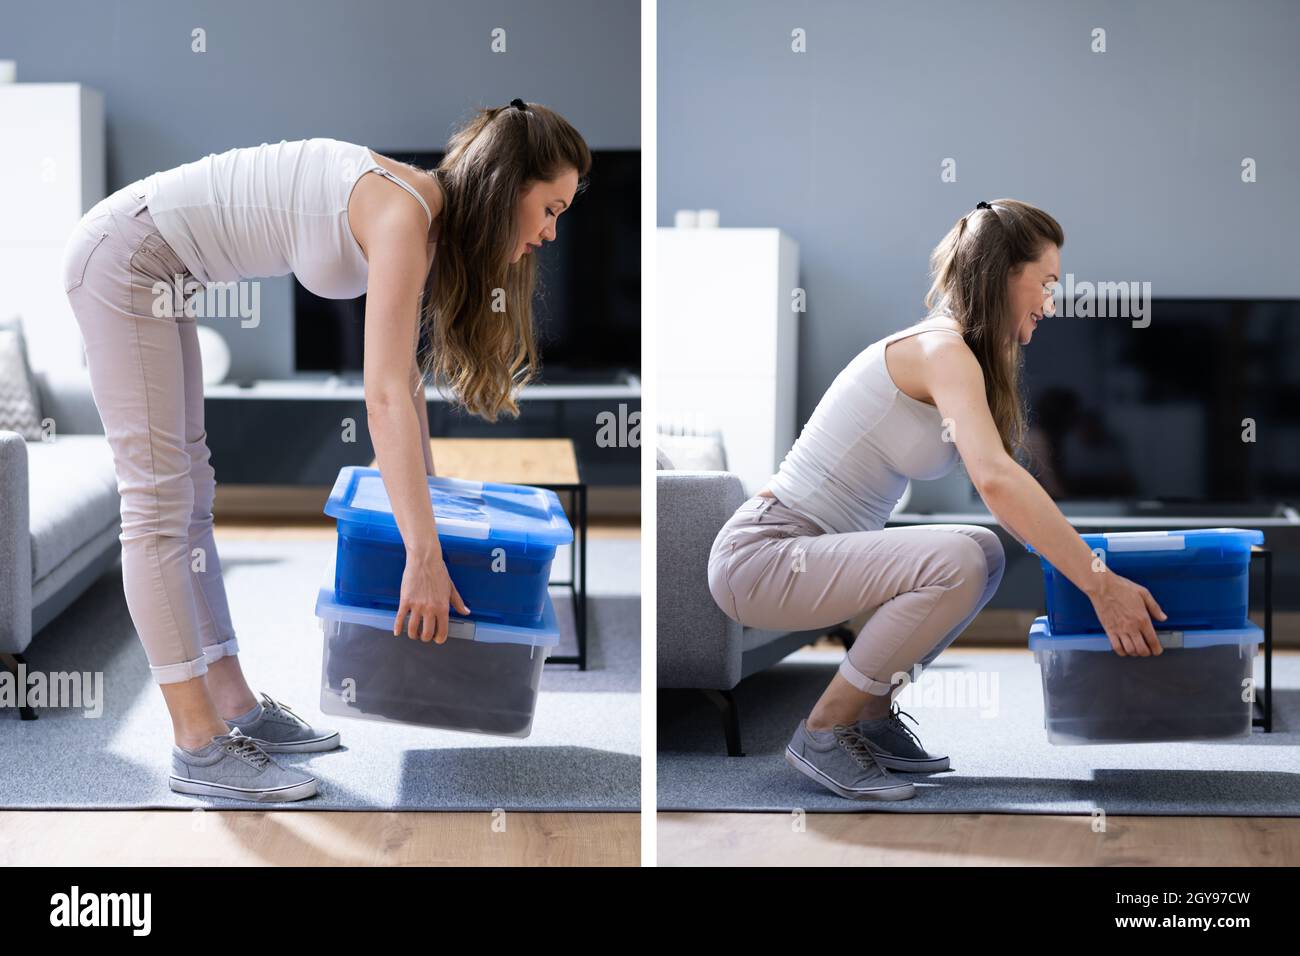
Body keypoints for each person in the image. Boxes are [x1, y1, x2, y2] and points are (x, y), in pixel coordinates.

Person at [60, 100, 590, 802]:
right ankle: (196, 745)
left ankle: (235, 707)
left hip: (162, 271)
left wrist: (424, 514)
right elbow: (382, 400)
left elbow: (400, 376)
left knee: (191, 495)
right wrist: (422, 559)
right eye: (550, 207)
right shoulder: (403, 216)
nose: (552, 232)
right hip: (123, 260)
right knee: (158, 503)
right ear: (506, 184)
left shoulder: (420, 219)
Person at [706, 199, 1166, 802]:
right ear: (1004, 273)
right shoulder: (939, 348)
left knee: (983, 551)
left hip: (805, 556)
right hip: (765, 555)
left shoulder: (962, 355)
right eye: (1047, 283)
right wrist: (1099, 583)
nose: (1052, 302)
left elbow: (1005, 484)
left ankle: (868, 716)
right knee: (962, 556)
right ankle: (822, 733)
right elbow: (997, 482)